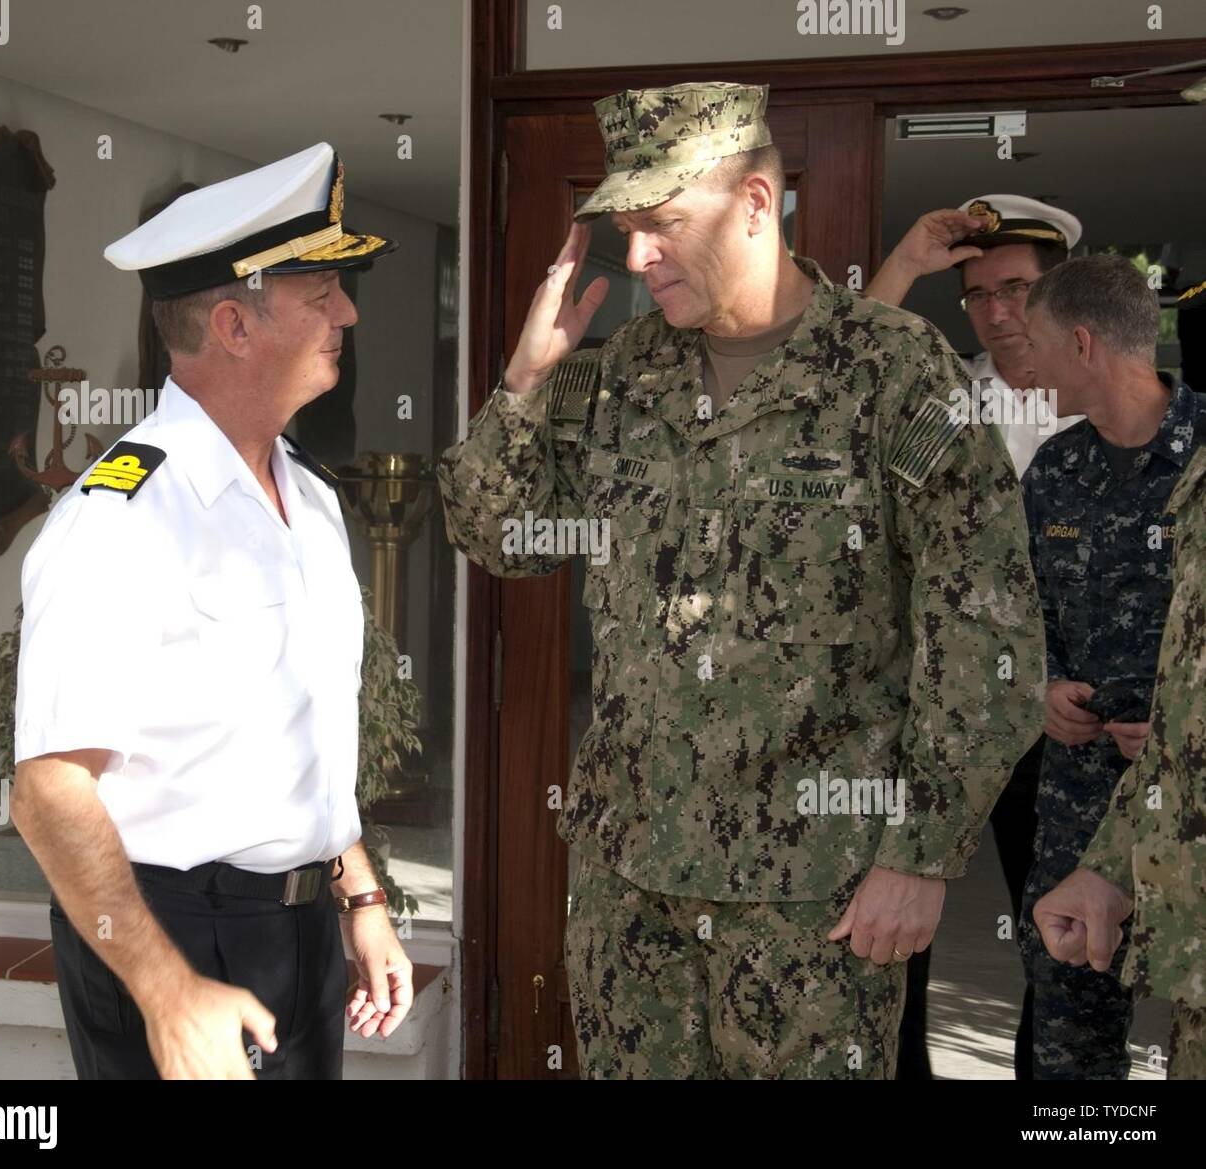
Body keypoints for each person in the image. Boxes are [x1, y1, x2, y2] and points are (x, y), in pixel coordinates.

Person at [439, 81, 1044, 1079]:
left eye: (663, 224)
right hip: (628, 888)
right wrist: (522, 384)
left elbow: (988, 633)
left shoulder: (895, 372)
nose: (635, 257)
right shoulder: (618, 373)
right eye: (627, 229)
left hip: (812, 899)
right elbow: (501, 538)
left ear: (757, 205)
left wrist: (920, 851)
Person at [11, 143, 412, 1080]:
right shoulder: (120, 519)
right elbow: (50, 793)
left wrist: (359, 898)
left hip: (300, 931)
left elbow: (296, 737)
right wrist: (166, 989)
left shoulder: (307, 497)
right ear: (234, 323)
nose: (346, 311)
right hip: (171, 934)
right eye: (321, 293)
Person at [866, 194, 1083, 1078]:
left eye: (1017, 289)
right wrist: (910, 258)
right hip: (941, 718)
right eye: (978, 294)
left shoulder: (1110, 400)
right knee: (894, 933)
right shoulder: (942, 397)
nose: (996, 311)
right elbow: (845, 366)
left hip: (1064, 723)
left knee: (1062, 941)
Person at [1015, 255, 1206, 1079]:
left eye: (1037, 344)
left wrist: (1174, 735)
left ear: (1083, 344)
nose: (1027, 365)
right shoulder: (1054, 472)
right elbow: (1019, 617)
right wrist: (1042, 687)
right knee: (1070, 1046)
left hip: (1190, 808)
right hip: (1077, 797)